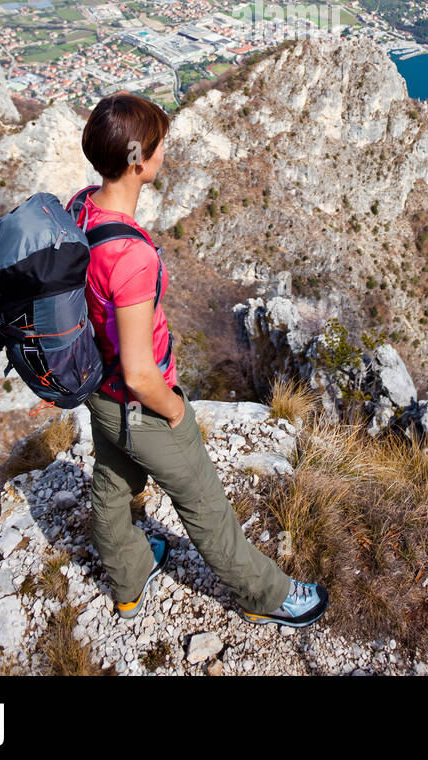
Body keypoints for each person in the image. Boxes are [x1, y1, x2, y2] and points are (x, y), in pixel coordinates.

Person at [67, 91, 328, 628]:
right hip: (141, 403)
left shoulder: (78, 208)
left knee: (112, 487)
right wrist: (176, 413)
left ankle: (129, 577)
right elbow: (141, 373)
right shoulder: (131, 257)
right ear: (139, 160)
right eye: (159, 143)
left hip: (99, 391)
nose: (166, 151)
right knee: (206, 506)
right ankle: (264, 594)